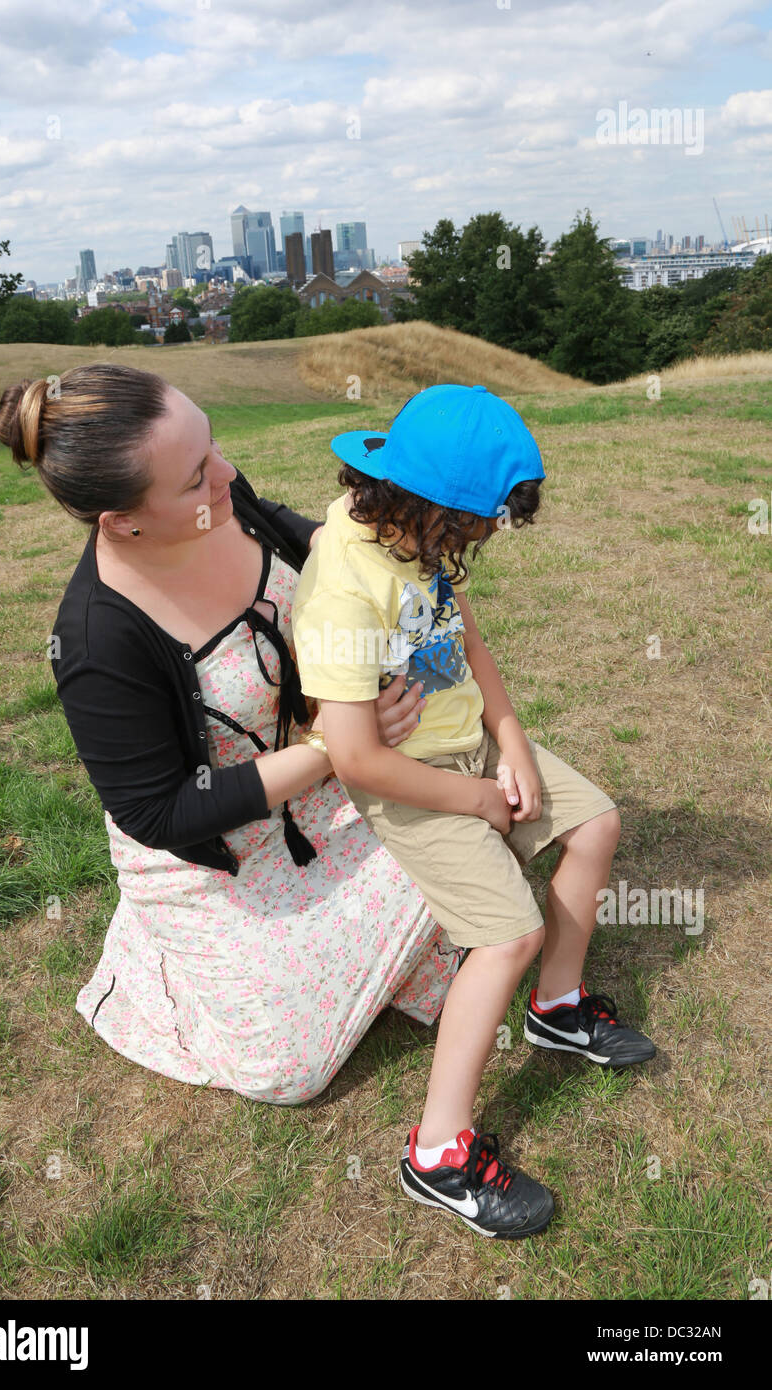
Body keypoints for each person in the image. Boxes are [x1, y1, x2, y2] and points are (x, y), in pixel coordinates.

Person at [0, 363, 469, 1105]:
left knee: (480, 827)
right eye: (193, 477)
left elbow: (322, 549)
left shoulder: (222, 496)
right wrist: (332, 747)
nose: (223, 474)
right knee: (287, 1070)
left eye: (212, 447)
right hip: (225, 855)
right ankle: (160, 967)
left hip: (337, 786)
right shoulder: (98, 641)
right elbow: (160, 814)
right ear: (123, 520)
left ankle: (378, 947)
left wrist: (397, 570)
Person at [292, 383, 656, 1239]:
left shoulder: (413, 538)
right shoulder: (343, 586)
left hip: (474, 748)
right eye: (469, 532)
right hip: (408, 779)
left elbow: (464, 639)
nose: (473, 549)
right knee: (507, 934)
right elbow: (355, 757)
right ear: (422, 504)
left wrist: (514, 744)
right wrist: (477, 799)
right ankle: (438, 1153)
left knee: (595, 822)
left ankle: (556, 1010)